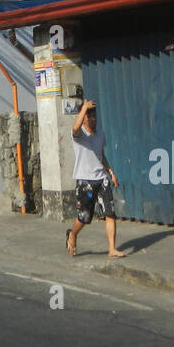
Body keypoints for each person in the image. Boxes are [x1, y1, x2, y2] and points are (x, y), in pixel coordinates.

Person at [66, 98, 125, 258]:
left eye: (94, 117)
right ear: (84, 117)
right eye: (89, 117)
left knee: (110, 214)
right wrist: (84, 107)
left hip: (102, 179)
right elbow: (74, 127)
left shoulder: (100, 134)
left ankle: (112, 249)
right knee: (84, 218)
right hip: (85, 181)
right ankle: (73, 234)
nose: (93, 120)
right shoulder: (79, 135)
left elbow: (101, 155)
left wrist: (111, 173)